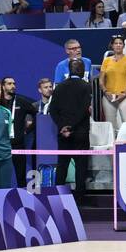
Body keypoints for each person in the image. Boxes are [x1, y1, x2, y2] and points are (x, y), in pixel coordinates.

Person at [48, 59, 93, 196]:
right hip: (80, 133)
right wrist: (71, 127)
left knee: (62, 166)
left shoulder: (59, 87)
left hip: (64, 134)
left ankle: (58, 196)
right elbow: (84, 110)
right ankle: (80, 199)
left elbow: (53, 110)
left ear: (69, 70)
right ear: (82, 70)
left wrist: (63, 127)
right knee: (81, 167)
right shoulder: (86, 86)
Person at [0, 77, 37, 186]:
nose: (13, 86)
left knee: (20, 176)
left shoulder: (21, 101)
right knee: (2, 176)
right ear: (3, 86)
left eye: (14, 84)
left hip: (18, 145)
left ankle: (23, 198)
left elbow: (37, 115)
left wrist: (28, 130)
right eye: (9, 84)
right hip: (2, 145)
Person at [98, 35, 126, 135]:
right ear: (112, 45)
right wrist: (106, 92)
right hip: (109, 96)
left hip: (125, 96)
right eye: (116, 43)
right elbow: (101, 80)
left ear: (124, 46)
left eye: (120, 43)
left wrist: (124, 94)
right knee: (110, 125)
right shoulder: (106, 60)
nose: (118, 45)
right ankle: (112, 147)